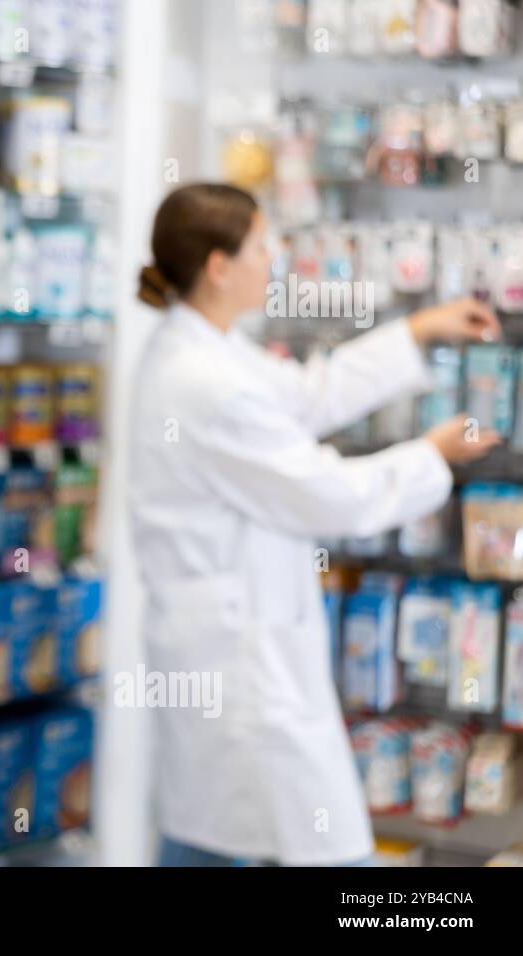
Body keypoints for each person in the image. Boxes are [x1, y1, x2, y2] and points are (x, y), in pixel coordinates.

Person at [130, 182, 500, 866]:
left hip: (230, 643)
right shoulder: (204, 380)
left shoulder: (209, 354)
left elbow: (307, 396)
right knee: (310, 842)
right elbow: (327, 496)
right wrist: (430, 456)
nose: (276, 260)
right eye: (264, 246)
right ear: (219, 266)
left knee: (211, 833)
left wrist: (417, 330)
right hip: (241, 659)